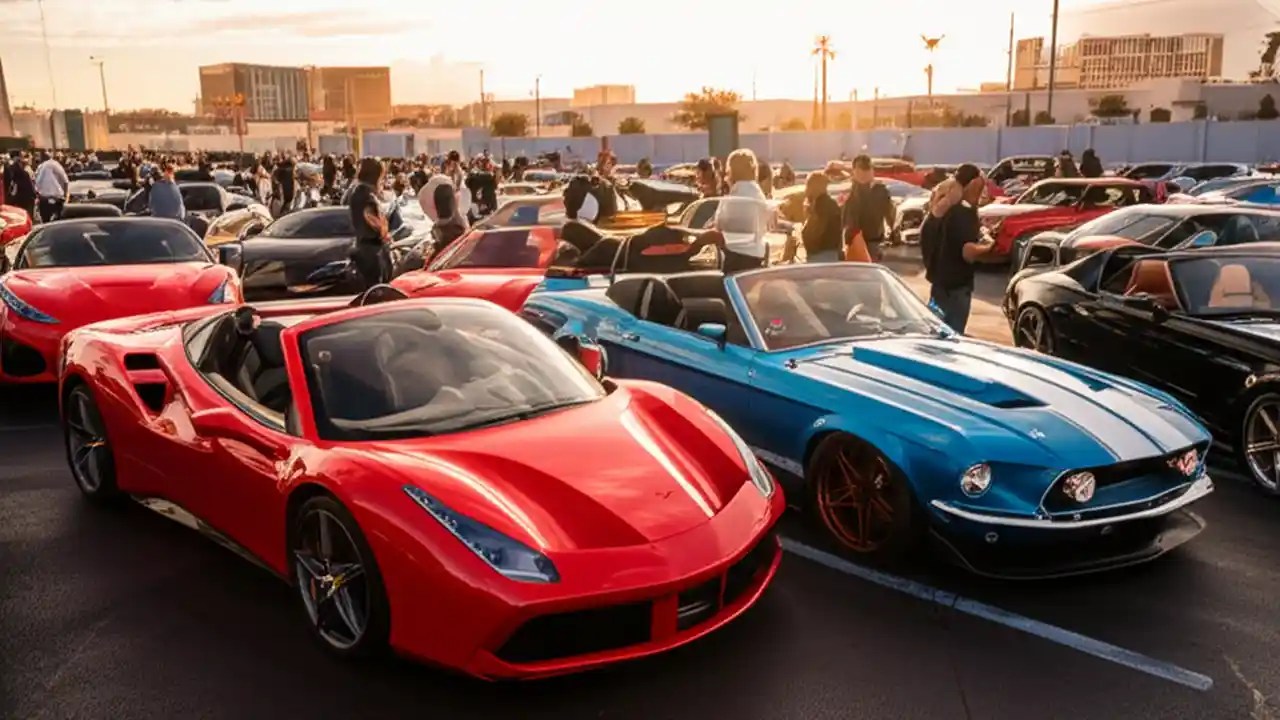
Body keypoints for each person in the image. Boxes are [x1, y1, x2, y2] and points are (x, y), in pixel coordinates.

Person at [924, 164, 995, 334]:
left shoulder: (941, 210)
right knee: (952, 339)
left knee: (935, 337)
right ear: (973, 184)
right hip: (956, 289)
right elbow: (967, 252)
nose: (983, 189)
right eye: (981, 184)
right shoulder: (964, 213)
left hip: (939, 285)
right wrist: (991, 248)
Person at [713, 148, 771, 271]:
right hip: (756, 255)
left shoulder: (735, 196)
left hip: (735, 256)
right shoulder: (758, 194)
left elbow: (719, 224)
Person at [841, 154, 894, 262]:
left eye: (867, 169)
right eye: (861, 169)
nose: (864, 173)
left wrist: (893, 231)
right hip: (854, 240)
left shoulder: (879, 190)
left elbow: (889, 213)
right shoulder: (849, 192)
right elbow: (843, 219)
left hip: (872, 240)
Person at [347, 158, 391, 289]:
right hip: (371, 251)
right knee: (376, 290)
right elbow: (371, 218)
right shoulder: (365, 195)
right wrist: (383, 230)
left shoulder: (359, 192)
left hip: (366, 248)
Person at [801, 173, 842, 263]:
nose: (806, 189)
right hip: (826, 254)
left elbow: (816, 232)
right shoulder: (825, 204)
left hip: (822, 256)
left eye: (808, 185)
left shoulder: (822, 206)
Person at [33, 152, 69, 223]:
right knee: (58, 221)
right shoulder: (54, 164)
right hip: (56, 199)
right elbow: (65, 181)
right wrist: (65, 195)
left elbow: (35, 182)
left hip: (44, 199)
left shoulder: (41, 167)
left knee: (45, 222)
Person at [7, 154, 37, 220]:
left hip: (22, 201)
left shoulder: (16, 177)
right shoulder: (24, 174)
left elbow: (14, 192)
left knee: (24, 217)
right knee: (29, 217)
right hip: (29, 199)